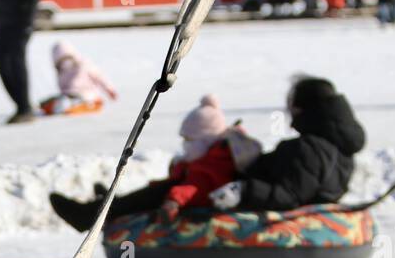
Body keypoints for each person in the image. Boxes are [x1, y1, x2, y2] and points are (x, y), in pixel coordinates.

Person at [47, 95, 261, 230]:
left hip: (192, 202)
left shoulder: (217, 159)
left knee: (154, 194)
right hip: (182, 194)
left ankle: (87, 216)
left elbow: (197, 186)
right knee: (152, 191)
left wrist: (175, 201)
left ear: (206, 139)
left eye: (189, 141)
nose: (185, 145)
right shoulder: (212, 152)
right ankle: (112, 203)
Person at [209, 76, 366, 212]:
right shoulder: (341, 150)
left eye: (293, 109)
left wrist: (243, 190)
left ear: (304, 110)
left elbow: (289, 196)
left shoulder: (308, 149)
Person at [41, 40, 118, 114]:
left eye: (67, 58)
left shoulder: (84, 65)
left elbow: (99, 77)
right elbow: (62, 87)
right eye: (62, 60)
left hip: (88, 94)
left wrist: (109, 89)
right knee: (59, 100)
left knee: (73, 100)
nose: (65, 62)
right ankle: (56, 105)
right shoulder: (61, 72)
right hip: (69, 95)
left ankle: (70, 106)